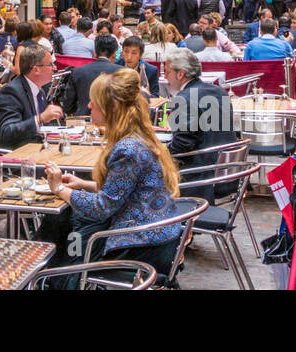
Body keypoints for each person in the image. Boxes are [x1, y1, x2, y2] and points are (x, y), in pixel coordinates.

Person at [41, 68, 183, 275]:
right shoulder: (138, 138)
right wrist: (82, 184)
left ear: (113, 106)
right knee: (66, 225)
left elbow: (102, 207)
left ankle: (44, 276)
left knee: (61, 226)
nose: (89, 105)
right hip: (158, 237)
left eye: (94, 101)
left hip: (138, 247)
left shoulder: (128, 149)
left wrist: (59, 189)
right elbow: (125, 190)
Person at [165, 49, 236, 205]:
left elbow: (182, 145)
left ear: (180, 74)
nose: (165, 77)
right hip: (226, 172)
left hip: (198, 177)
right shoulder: (219, 91)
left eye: (167, 72)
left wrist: (160, 152)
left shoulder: (183, 99)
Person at [0, 44, 63, 149]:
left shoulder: (39, 90)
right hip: (13, 156)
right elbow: (7, 132)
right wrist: (40, 119)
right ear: (36, 69)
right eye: (50, 64)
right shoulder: (12, 92)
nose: (55, 68)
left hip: (35, 149)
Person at [62, 35, 122, 117]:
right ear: (114, 54)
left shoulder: (78, 71)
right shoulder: (122, 72)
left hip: (83, 121)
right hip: (113, 121)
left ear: (95, 53)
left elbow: (68, 105)